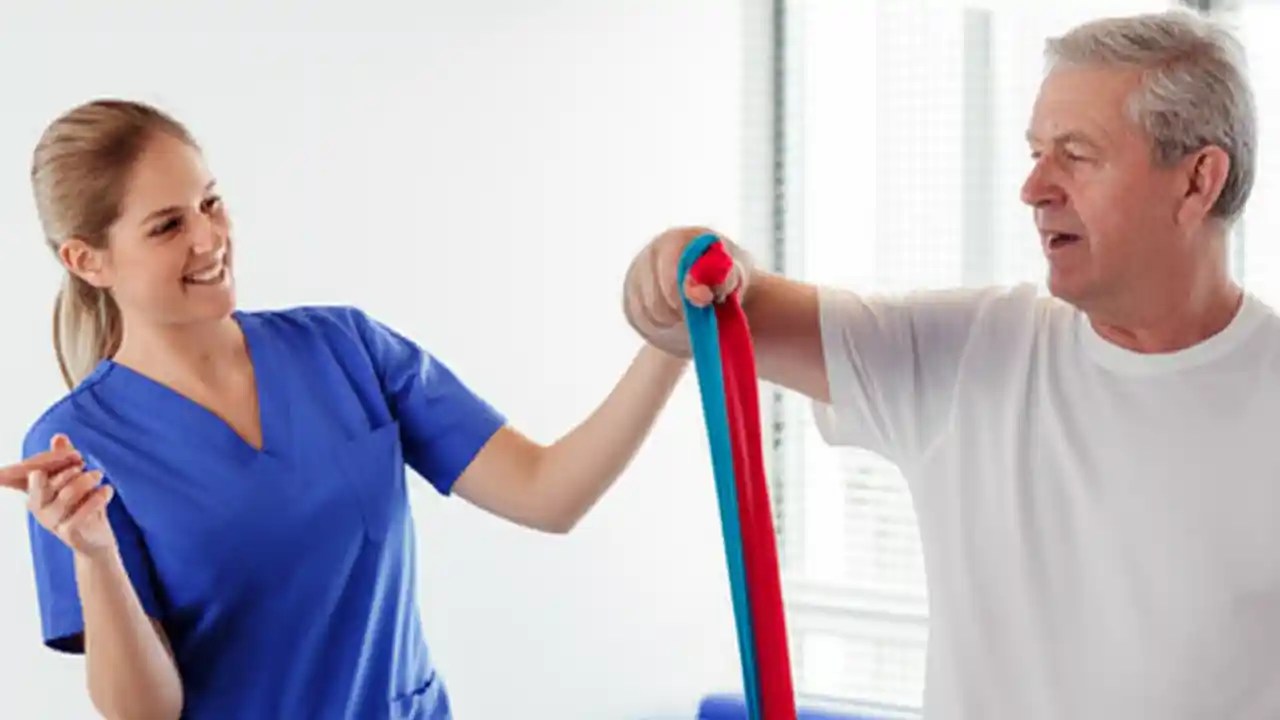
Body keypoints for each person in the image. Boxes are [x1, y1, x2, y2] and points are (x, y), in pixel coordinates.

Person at [625, 9, 1278, 719]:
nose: (1034, 188)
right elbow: (713, 314)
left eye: (1077, 155)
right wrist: (679, 265)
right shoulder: (971, 353)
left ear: (1197, 182)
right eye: (1036, 153)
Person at [9, 98, 688, 720]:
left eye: (210, 203)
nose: (209, 239)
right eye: (167, 226)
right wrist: (95, 555)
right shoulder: (76, 449)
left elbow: (550, 494)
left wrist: (672, 344)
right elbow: (145, 712)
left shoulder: (348, 351)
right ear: (86, 260)